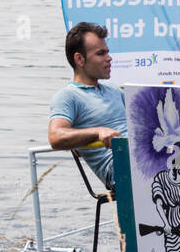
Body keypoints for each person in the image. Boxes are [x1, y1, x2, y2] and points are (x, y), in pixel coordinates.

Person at [48, 22, 127, 189]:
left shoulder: (114, 89)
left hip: (142, 156)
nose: (109, 58)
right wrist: (98, 131)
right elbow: (55, 137)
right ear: (79, 59)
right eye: (101, 53)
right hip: (119, 170)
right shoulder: (68, 96)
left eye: (108, 52)